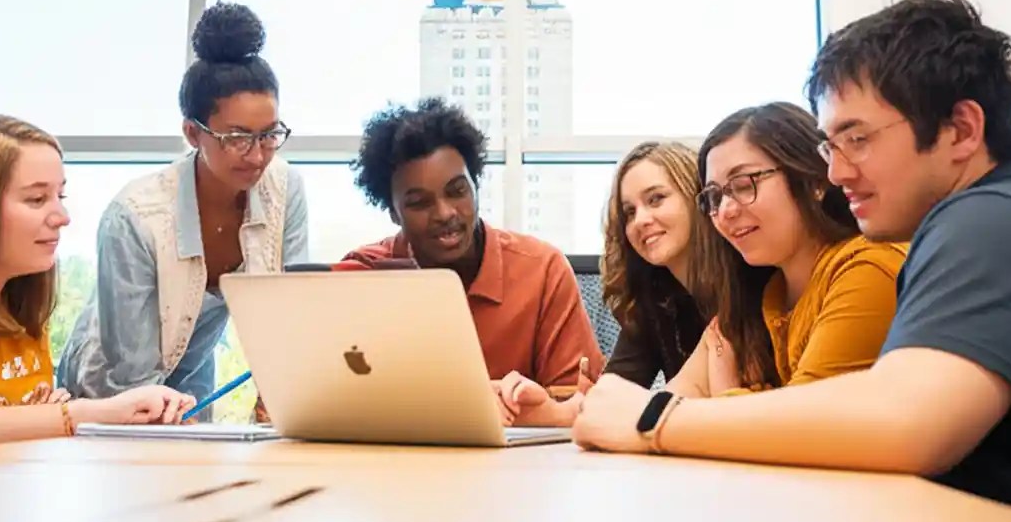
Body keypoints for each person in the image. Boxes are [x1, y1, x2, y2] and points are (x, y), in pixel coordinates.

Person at [573, 0, 1011, 522]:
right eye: (830, 146)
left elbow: (905, 422)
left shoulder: (996, 221)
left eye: (859, 139)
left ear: (961, 130)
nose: (837, 172)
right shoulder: (971, 226)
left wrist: (654, 421)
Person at [512, 104, 905, 425]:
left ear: (816, 179)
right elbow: (643, 403)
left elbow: (800, 428)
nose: (727, 210)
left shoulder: (864, 268)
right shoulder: (766, 295)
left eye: (745, 183)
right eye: (716, 196)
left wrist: (716, 401)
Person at [0, 116, 194, 452]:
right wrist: (88, 414)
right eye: (36, 200)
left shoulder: (18, 309)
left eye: (60, 196)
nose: (62, 216)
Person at [57, 3, 309, 414]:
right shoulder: (135, 216)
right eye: (237, 137)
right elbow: (132, 375)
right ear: (193, 133)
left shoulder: (284, 188)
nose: (258, 155)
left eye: (269, 135)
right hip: (109, 392)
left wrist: (280, 395)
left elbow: (291, 306)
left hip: (191, 381)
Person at [346, 97, 604, 424]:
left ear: (476, 186)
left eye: (457, 191)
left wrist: (527, 406)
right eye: (419, 202)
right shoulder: (361, 277)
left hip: (521, 467)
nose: (445, 213)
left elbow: (583, 403)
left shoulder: (542, 269)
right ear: (394, 213)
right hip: (397, 465)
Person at [495, 141, 726, 426]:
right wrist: (537, 408)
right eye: (629, 212)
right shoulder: (653, 298)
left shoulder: (748, 287)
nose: (641, 220)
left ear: (698, 198)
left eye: (656, 199)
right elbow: (609, 399)